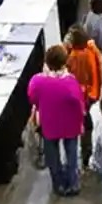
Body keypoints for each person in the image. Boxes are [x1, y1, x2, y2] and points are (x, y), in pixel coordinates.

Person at [28, 45, 86, 196]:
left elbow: (32, 98)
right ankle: (73, 183)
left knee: (52, 156)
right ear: (64, 61)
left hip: (49, 124)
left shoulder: (38, 82)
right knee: (71, 154)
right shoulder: (71, 82)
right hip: (71, 125)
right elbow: (80, 103)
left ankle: (58, 185)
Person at [65, 24, 102, 169]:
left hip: (80, 96)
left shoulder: (76, 56)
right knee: (87, 122)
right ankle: (87, 152)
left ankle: (84, 154)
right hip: (91, 93)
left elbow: (72, 76)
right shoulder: (90, 51)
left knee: (79, 124)